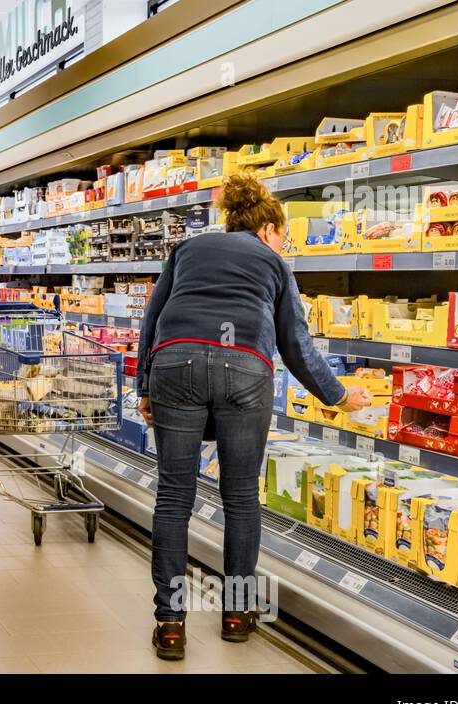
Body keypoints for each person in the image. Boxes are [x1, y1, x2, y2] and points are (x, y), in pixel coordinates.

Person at [135, 174, 370, 661]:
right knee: (240, 496)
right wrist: (339, 396)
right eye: (283, 235)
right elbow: (296, 345)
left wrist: (144, 385)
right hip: (244, 369)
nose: (284, 244)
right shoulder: (275, 264)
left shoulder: (185, 250)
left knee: (174, 497)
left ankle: (172, 624)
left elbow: (151, 320)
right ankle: (238, 613)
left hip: (175, 364)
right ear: (267, 230)